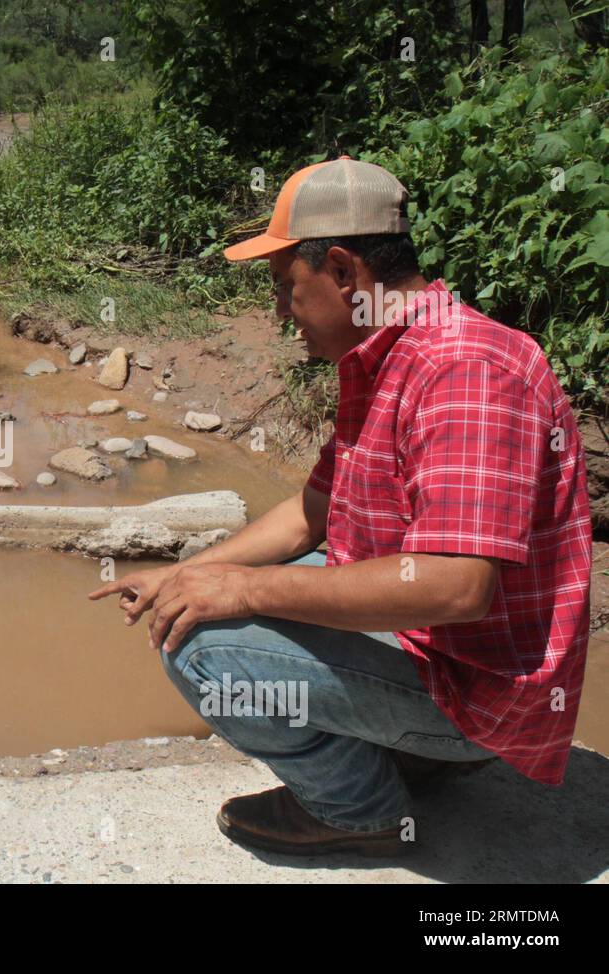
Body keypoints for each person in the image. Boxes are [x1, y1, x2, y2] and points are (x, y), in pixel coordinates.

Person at [89, 156, 592, 857]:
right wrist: (189, 573)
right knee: (211, 597)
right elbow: (311, 515)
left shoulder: (465, 369)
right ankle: (419, 752)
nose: (279, 314)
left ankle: (361, 811)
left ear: (343, 271)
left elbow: (456, 585)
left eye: (285, 288)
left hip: (480, 684)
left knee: (203, 647)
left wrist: (235, 590)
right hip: (438, 649)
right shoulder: (385, 357)